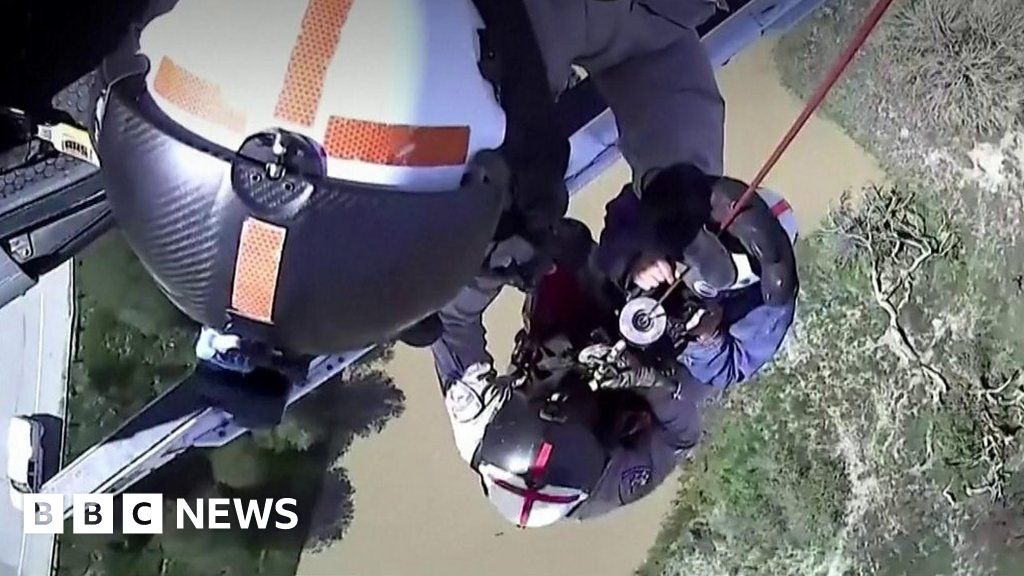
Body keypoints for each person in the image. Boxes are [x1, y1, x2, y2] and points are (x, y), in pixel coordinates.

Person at [429, 175, 799, 527]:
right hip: (661, 376)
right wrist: (656, 377)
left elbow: (453, 320)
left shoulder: (476, 413)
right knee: (706, 368)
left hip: (568, 332)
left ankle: (655, 203)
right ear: (598, 443)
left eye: (548, 404)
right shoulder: (614, 484)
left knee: (554, 246)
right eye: (569, 409)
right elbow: (682, 434)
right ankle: (757, 282)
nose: (563, 397)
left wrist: (498, 267)